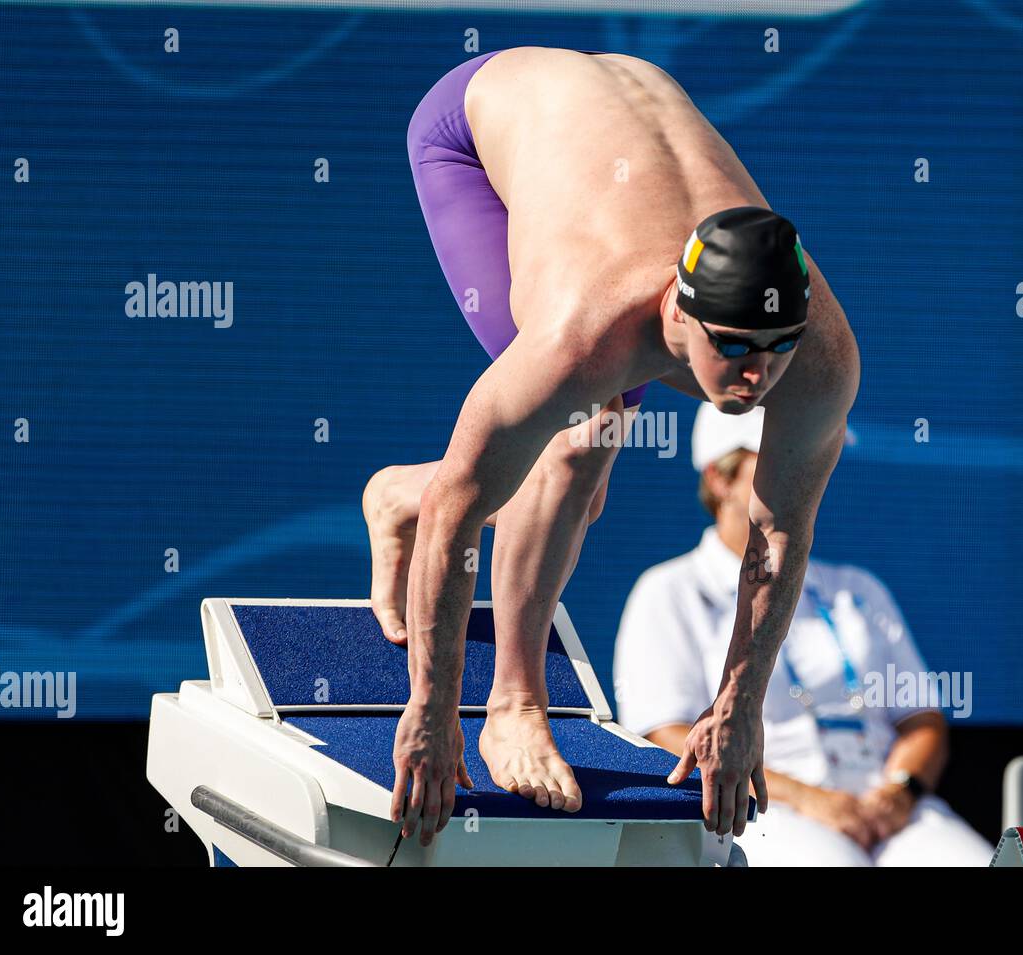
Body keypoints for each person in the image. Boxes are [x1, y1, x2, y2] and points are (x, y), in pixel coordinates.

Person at [363, 47, 859, 847]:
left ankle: (395, 497)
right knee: (573, 448)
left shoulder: (824, 359)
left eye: (777, 347)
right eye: (733, 347)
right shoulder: (583, 333)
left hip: (627, 101)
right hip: (475, 126)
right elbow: (463, 500)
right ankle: (514, 703)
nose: (757, 376)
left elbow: (777, 533)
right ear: (678, 313)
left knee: (574, 493)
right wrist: (431, 709)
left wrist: (737, 709)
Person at [613, 403, 994, 865]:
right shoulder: (669, 591)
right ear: (720, 479)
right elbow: (663, 733)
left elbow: (921, 719)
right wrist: (813, 800)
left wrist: (897, 795)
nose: (803, 477)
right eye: (780, 461)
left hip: (894, 816)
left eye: (811, 461)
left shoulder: (858, 589)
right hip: (764, 811)